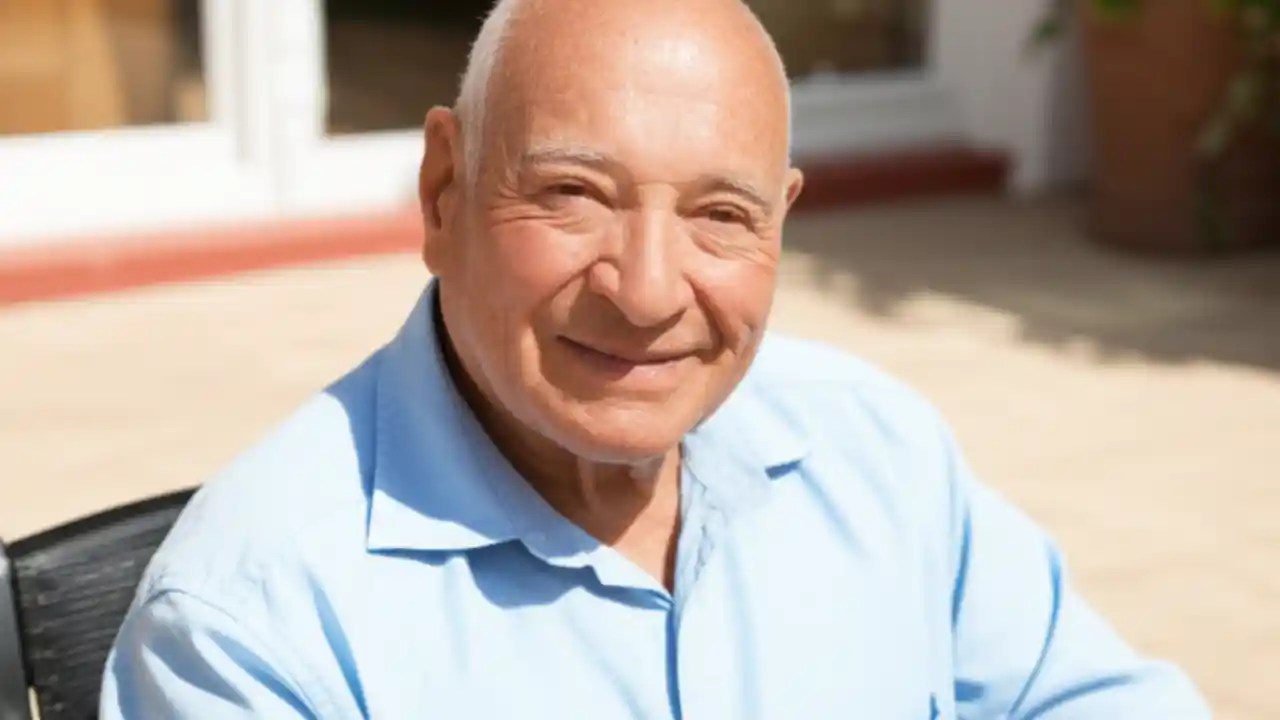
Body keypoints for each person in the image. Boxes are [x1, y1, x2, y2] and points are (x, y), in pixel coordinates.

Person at [101, 0, 1210, 717]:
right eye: (572, 194)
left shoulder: (878, 454)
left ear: (780, 223)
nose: (643, 290)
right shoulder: (248, 626)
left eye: (720, 215)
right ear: (443, 194)